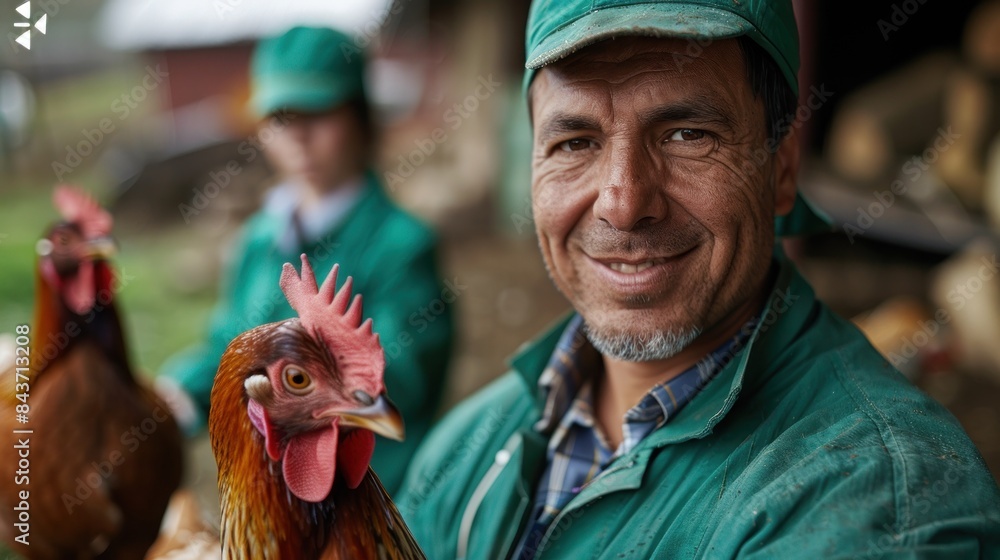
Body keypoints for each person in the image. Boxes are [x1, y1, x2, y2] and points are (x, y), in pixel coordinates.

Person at [395, 1, 1000, 557]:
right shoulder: (469, 445)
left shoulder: (878, 502)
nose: (623, 202)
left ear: (782, 168)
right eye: (575, 142)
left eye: (688, 135)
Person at [157, 26, 453, 494]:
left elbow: (403, 377)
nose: (297, 135)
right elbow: (225, 343)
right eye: (280, 117)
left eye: (317, 113)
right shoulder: (257, 240)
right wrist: (172, 396)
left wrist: (293, 380)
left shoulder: (402, 244)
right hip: (271, 487)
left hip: (373, 489)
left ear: (358, 117)